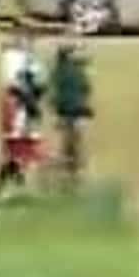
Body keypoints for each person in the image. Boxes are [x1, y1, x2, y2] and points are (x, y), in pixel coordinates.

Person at [0, 25, 45, 190]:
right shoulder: (12, 57)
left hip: (28, 103)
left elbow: (39, 83)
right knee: (16, 142)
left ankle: (19, 177)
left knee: (29, 143)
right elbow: (12, 83)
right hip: (17, 103)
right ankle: (13, 176)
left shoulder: (31, 58)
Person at [51, 41, 93, 189]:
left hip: (64, 113)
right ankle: (76, 176)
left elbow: (53, 94)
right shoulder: (77, 71)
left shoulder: (57, 71)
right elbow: (86, 89)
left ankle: (66, 176)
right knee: (77, 145)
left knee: (65, 145)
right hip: (79, 112)